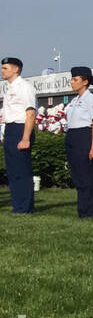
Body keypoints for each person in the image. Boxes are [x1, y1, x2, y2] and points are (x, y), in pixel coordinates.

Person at [64, 66, 93, 219]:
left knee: (87, 176)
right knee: (79, 176)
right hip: (73, 136)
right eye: (72, 79)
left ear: (85, 81)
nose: (72, 82)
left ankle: (90, 212)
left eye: (75, 79)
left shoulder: (90, 99)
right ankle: (83, 210)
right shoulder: (74, 101)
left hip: (85, 136)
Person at [1, 56, 37, 214]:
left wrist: (25, 138)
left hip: (21, 129)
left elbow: (30, 114)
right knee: (13, 171)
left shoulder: (25, 87)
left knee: (22, 170)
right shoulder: (9, 89)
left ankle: (25, 207)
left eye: (5, 68)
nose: (2, 70)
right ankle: (18, 206)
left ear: (16, 69)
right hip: (10, 129)